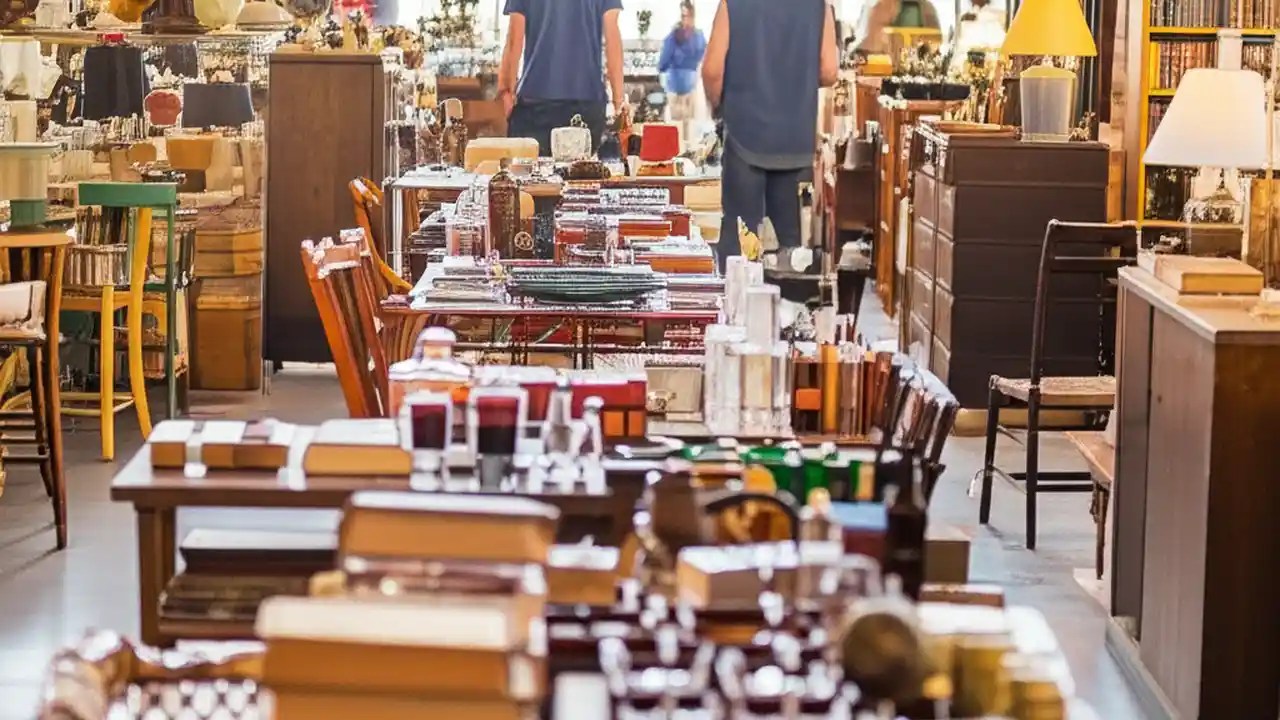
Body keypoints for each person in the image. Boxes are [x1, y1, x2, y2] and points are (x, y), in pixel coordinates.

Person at [702, 0, 838, 267]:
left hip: (744, 138)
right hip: (796, 142)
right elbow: (829, 70)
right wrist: (796, 79)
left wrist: (718, 107)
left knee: (740, 252)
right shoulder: (818, 5)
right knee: (794, 255)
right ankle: (791, 290)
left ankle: (739, 291)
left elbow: (712, 70)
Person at [498, 0, 628, 156]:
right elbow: (612, 41)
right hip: (587, 103)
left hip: (535, 103)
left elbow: (514, 40)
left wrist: (506, 91)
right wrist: (618, 101)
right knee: (582, 170)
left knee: (530, 170)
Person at [658, 0, 707, 147]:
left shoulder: (694, 37)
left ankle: (685, 151)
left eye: (688, 16)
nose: (686, 20)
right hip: (680, 86)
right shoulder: (676, 37)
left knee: (684, 128)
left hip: (685, 88)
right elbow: (663, 63)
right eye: (684, 16)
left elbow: (663, 63)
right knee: (680, 127)